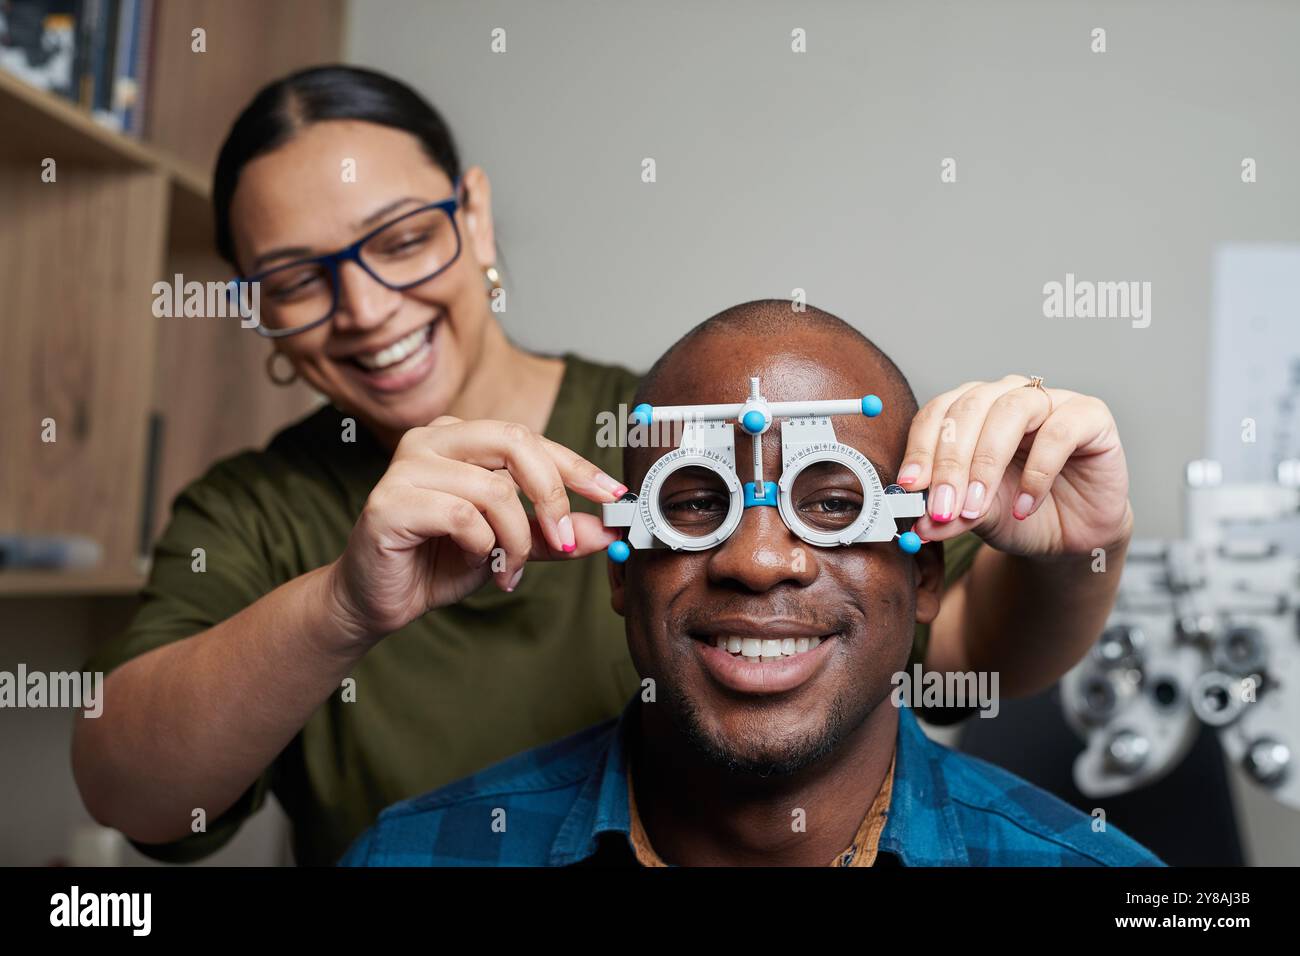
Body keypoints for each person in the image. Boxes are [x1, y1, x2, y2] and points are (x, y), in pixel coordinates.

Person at [71, 65, 1132, 867]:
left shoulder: (681, 419)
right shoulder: (253, 511)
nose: (363, 308)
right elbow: (138, 791)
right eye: (297, 278)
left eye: (399, 239)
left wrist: (1079, 542)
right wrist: (344, 603)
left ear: (472, 214)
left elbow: (950, 650)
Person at [341, 302, 1156, 866]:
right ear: (621, 568)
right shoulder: (413, 855)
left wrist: (1092, 540)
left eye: (835, 504)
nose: (760, 558)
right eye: (693, 503)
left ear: (927, 573)